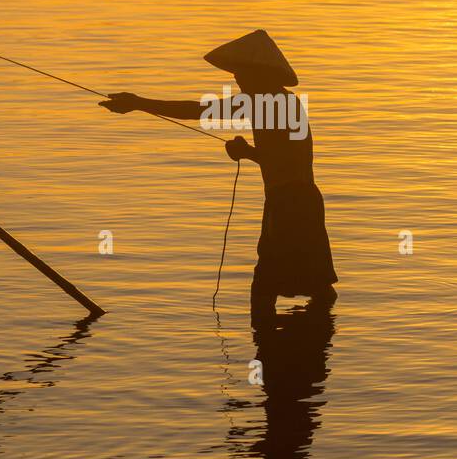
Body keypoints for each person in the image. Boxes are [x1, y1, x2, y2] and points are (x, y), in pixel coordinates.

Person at [98, 30, 337, 324]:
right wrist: (139, 103)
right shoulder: (264, 102)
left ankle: (275, 349)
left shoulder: (277, 105)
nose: (237, 80)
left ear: (260, 74)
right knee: (311, 282)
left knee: (266, 284)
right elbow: (198, 110)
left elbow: (287, 159)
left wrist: (245, 152)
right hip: (292, 202)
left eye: (242, 74)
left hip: (292, 203)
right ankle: (309, 344)